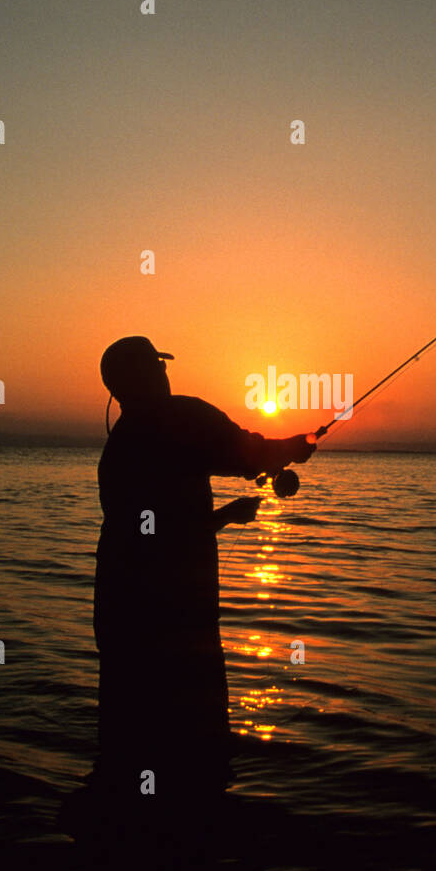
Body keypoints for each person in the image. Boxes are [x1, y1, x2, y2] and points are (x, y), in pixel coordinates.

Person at [88, 335, 315, 824]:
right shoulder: (181, 417)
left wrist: (226, 516)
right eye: (159, 369)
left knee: (128, 743)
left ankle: (120, 844)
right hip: (179, 621)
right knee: (196, 743)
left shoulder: (120, 448)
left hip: (120, 614)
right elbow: (248, 454)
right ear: (148, 376)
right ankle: (191, 850)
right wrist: (293, 448)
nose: (167, 377)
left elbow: (158, 535)